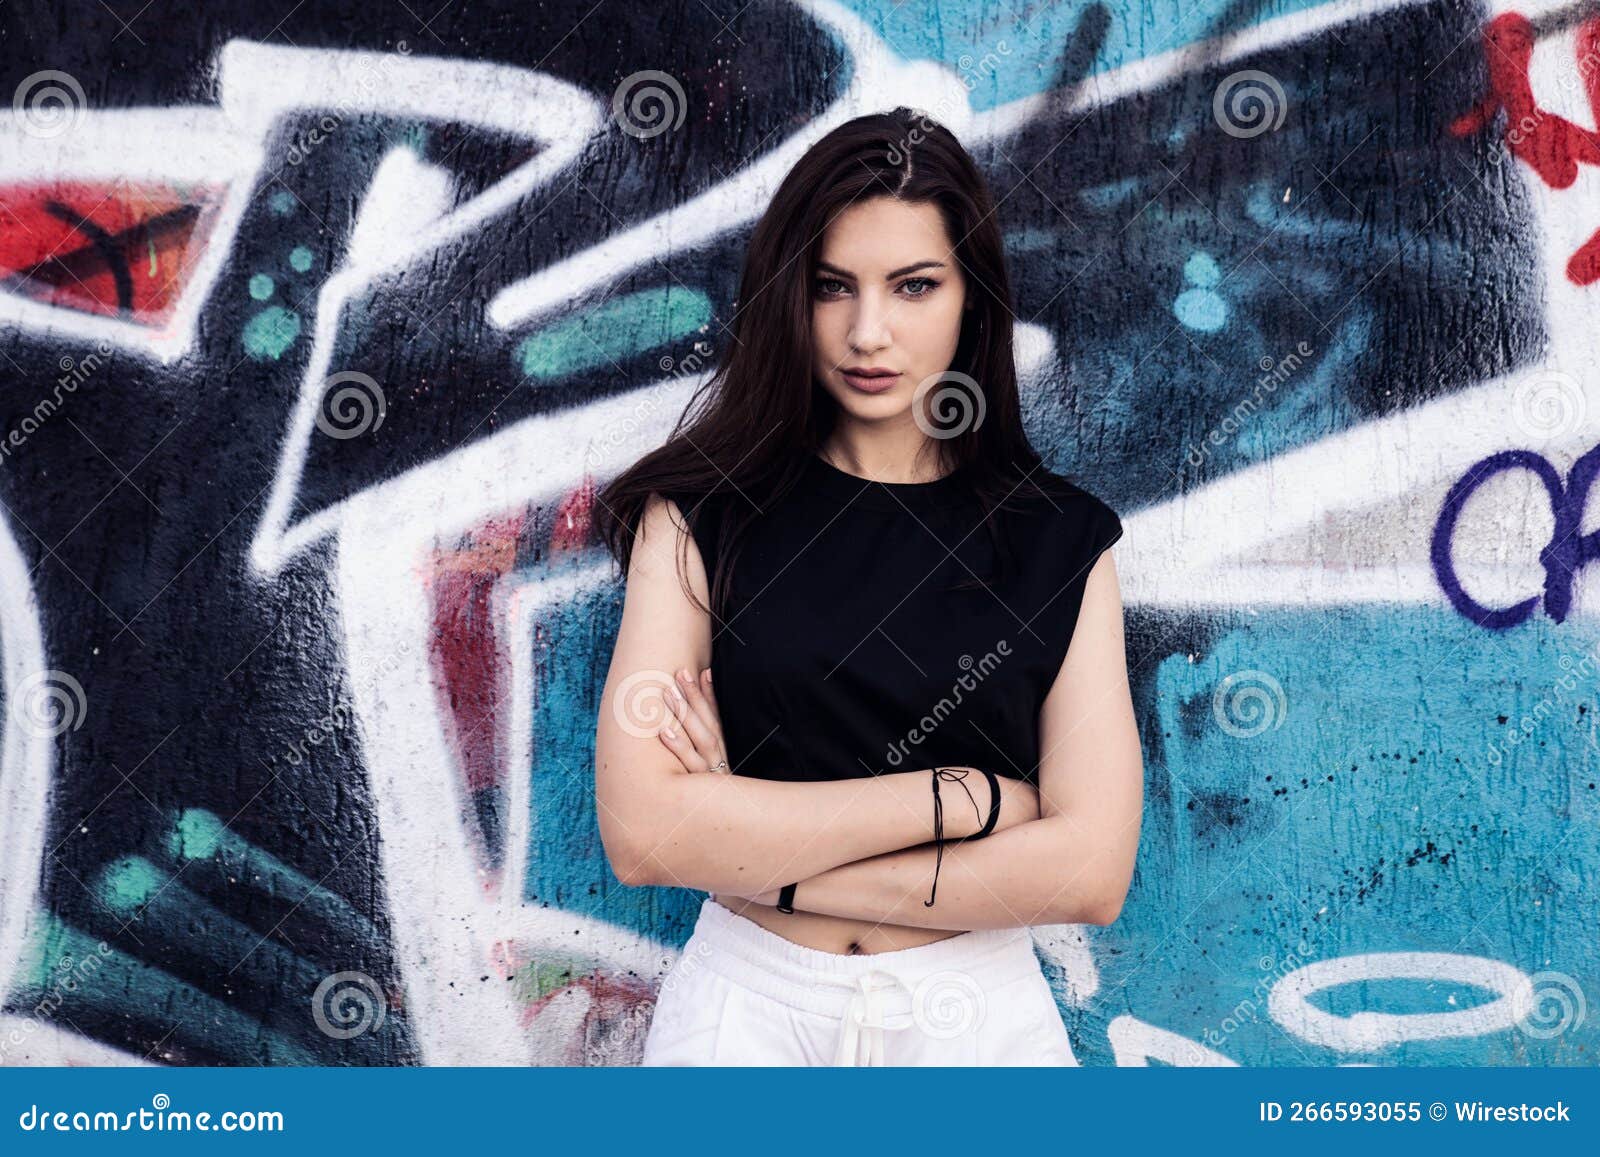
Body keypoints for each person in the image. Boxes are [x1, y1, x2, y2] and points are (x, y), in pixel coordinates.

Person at [591, 107, 1143, 1066]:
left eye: (914, 285)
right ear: (787, 298)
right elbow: (646, 833)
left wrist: (770, 859)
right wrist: (958, 800)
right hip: (745, 1016)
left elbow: (1091, 870)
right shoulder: (697, 514)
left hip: (978, 1024)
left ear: (973, 299)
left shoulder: (1061, 540)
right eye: (831, 286)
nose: (867, 330)